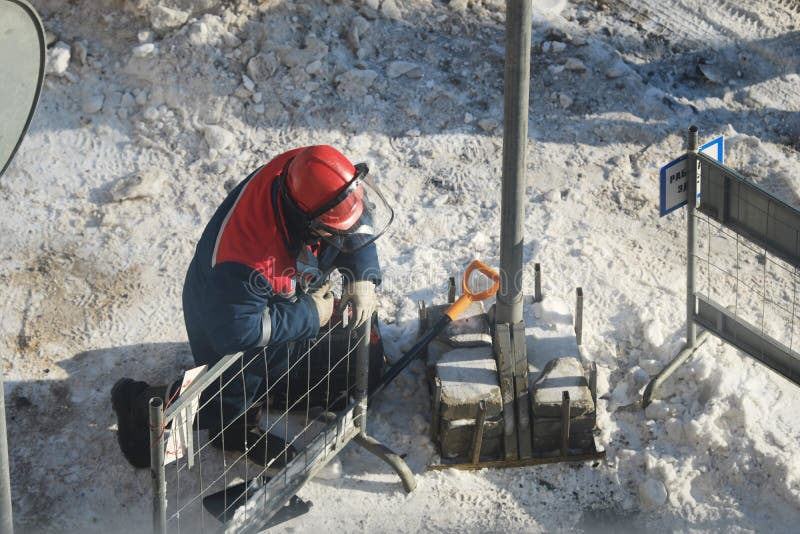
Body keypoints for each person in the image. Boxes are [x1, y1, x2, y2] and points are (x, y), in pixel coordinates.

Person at [111, 145, 393, 468]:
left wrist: (363, 274)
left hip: (273, 288)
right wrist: (311, 314)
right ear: (308, 222)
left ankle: (257, 401)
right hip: (225, 313)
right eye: (330, 229)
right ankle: (143, 411)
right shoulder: (250, 253)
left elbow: (354, 214)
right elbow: (236, 330)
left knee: (363, 359)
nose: (341, 233)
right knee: (230, 392)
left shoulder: (312, 172)